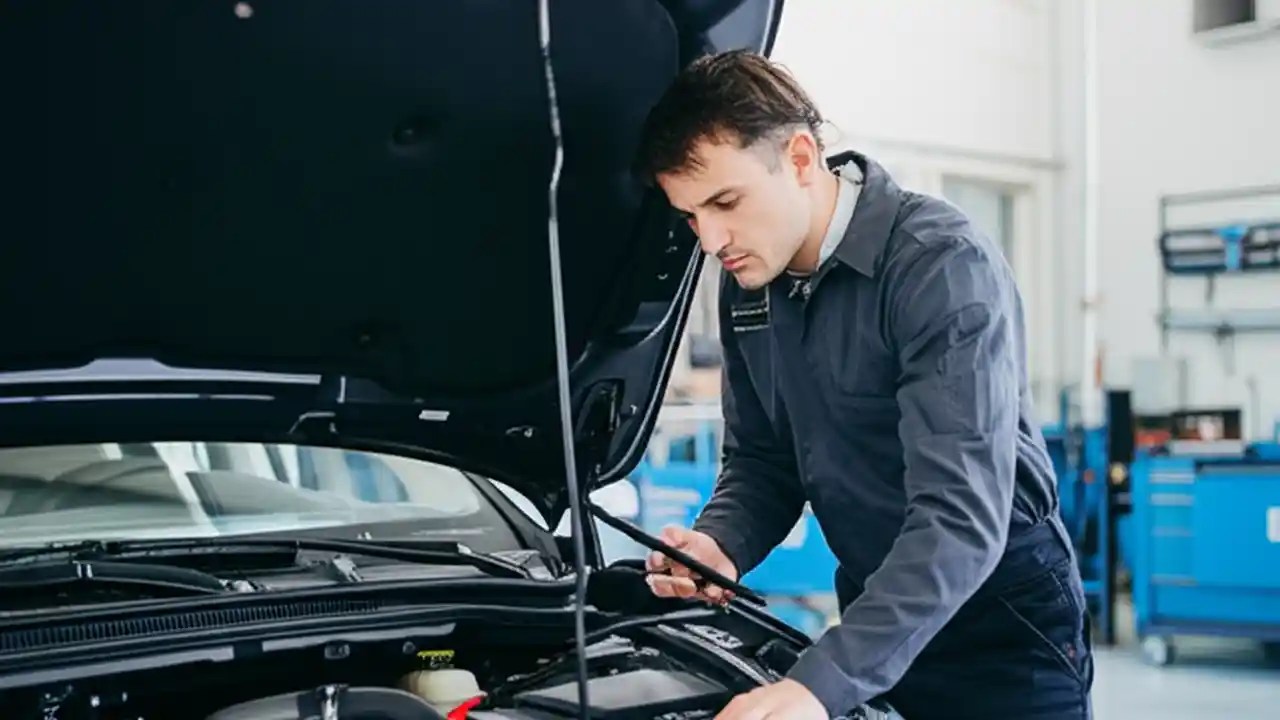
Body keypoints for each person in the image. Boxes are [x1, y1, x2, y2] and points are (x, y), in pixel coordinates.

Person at [634, 50, 1094, 720]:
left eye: (724, 202)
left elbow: (959, 520)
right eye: (689, 216)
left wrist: (819, 684)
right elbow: (764, 461)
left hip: (1001, 633)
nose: (709, 240)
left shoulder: (938, 265)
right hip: (879, 620)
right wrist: (720, 543)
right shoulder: (751, 286)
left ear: (797, 159)